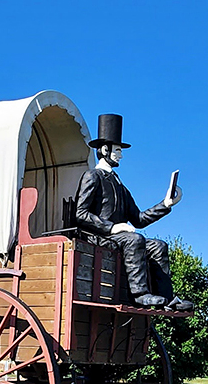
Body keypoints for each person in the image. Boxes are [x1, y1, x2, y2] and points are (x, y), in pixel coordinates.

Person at [75, 113, 193, 310]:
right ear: (105, 150)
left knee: (158, 246)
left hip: (120, 239)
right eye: (118, 150)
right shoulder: (92, 176)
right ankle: (139, 295)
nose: (121, 154)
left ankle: (167, 298)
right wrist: (113, 228)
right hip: (99, 237)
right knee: (135, 239)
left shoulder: (119, 184)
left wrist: (166, 204)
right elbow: (81, 213)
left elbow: (138, 219)